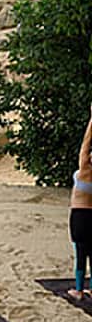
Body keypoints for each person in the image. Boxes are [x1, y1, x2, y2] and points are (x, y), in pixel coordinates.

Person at [69, 102, 92, 300]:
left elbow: (85, 145)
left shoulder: (85, 170)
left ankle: (78, 288)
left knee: (80, 253)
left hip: (80, 214)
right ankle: (91, 288)